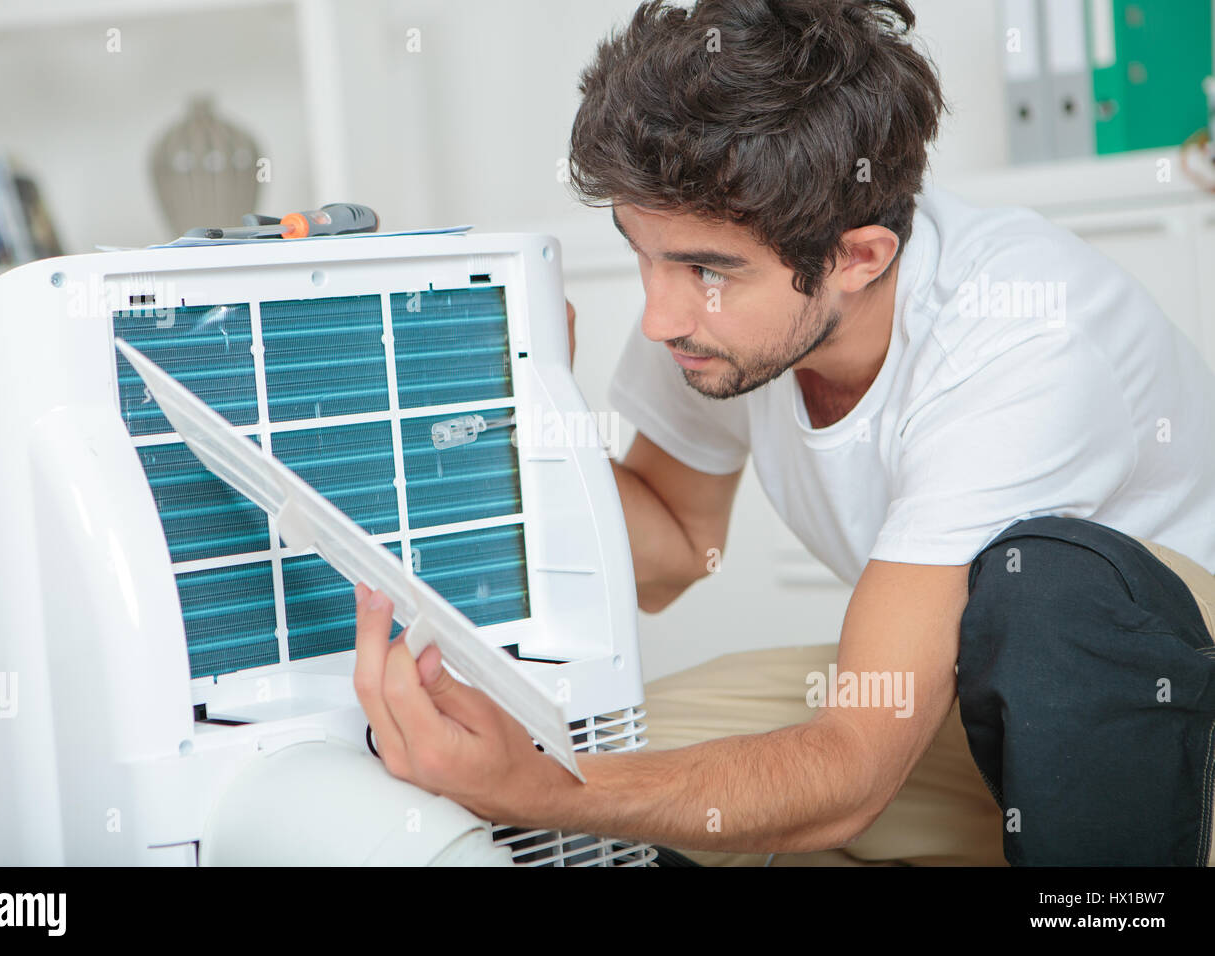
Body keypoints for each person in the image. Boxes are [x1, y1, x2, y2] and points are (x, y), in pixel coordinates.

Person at [350, 0, 1215, 866]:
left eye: (705, 271)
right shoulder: (711, 319)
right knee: (576, 770)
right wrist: (529, 410)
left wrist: (545, 788)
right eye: (642, 251)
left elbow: (851, 768)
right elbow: (670, 552)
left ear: (858, 258)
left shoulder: (1022, 343)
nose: (657, 315)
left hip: (1163, 721)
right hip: (964, 698)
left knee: (1047, 587)